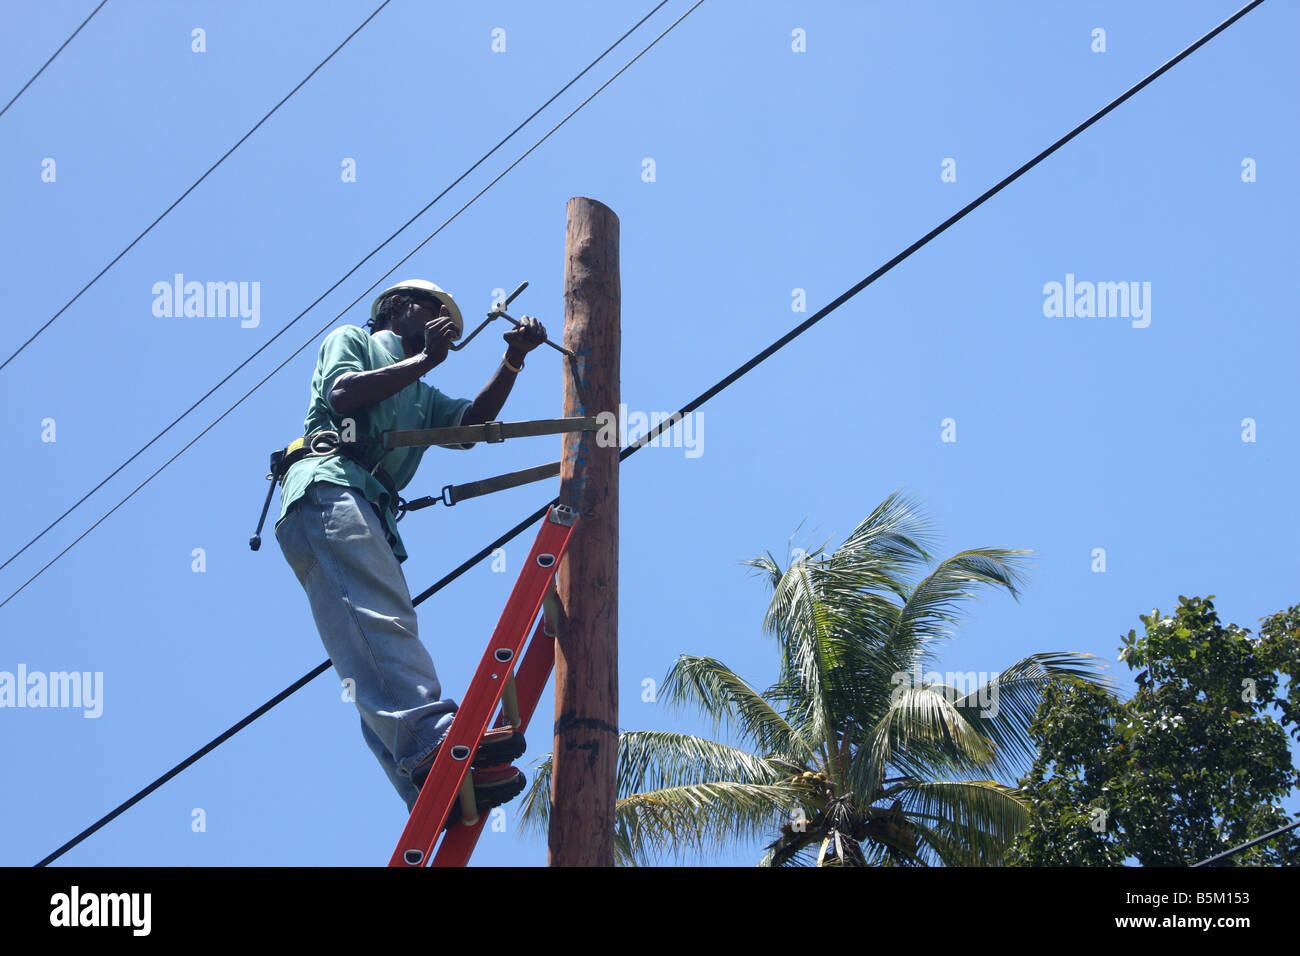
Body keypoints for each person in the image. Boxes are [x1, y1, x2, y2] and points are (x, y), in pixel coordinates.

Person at [274, 278, 547, 815]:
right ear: (397, 307)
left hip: (366, 503)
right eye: (433, 309)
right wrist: (427, 358)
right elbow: (343, 394)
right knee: (379, 624)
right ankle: (430, 739)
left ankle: (423, 785)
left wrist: (513, 359)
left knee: (367, 648)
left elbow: (469, 428)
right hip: (330, 485)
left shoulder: (421, 393)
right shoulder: (355, 339)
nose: (441, 320)